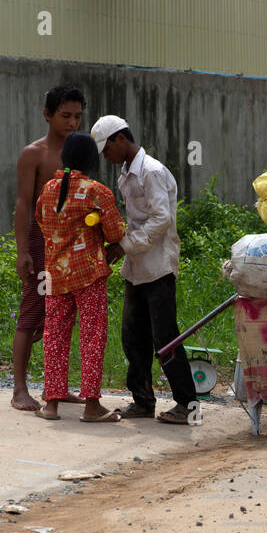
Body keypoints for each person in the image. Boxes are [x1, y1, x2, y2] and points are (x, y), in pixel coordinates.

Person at [90, 115, 198, 425]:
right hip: (135, 267)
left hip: (158, 266)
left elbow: (161, 219)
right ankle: (142, 400)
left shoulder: (151, 172)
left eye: (106, 149)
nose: (106, 157)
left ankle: (188, 406)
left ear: (120, 139)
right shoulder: (126, 175)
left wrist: (125, 244)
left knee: (165, 339)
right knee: (132, 335)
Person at [33, 133, 129, 422]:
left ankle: (51, 404)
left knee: (54, 338)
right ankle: (91, 406)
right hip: (88, 275)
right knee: (92, 337)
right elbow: (116, 233)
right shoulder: (96, 191)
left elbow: (41, 222)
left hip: (55, 276)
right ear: (91, 159)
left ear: (64, 158)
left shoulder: (49, 189)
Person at [11, 83, 86, 411]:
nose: (72, 123)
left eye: (78, 117)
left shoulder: (81, 152)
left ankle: (56, 386)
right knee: (32, 311)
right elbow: (23, 205)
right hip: (42, 243)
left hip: (74, 245)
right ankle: (18, 389)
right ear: (48, 115)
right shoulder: (35, 154)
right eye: (65, 116)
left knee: (64, 315)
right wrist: (23, 251)